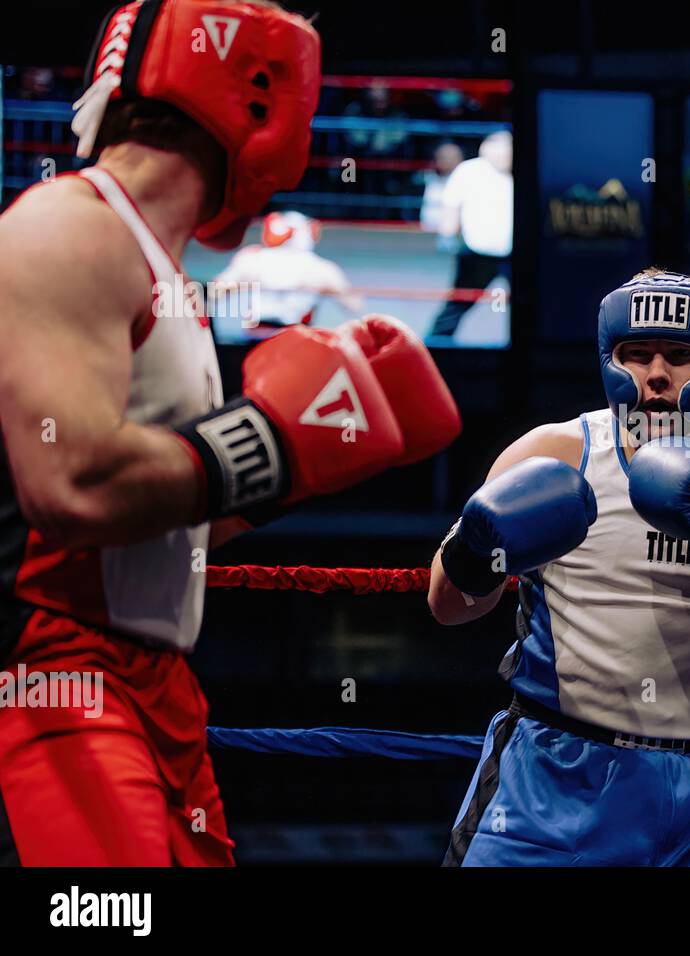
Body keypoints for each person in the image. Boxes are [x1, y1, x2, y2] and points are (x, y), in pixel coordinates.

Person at [0, 0, 460, 866]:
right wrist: (276, 442)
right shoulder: (70, 227)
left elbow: (167, 521)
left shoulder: (171, 280)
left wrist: (306, 468)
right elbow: (72, 489)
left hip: (160, 687)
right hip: (53, 670)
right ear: (259, 97)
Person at [428, 269, 690, 866]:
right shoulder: (556, 451)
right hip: (554, 778)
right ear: (610, 360)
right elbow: (446, 606)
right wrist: (479, 545)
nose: (655, 375)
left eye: (681, 356)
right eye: (635, 354)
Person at [212, 211, 363, 331]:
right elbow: (354, 305)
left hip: (258, 342)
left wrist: (244, 284)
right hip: (294, 342)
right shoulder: (322, 268)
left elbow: (214, 293)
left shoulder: (252, 259)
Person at [429, 131, 512, 339]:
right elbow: (451, 205)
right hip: (477, 251)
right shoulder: (469, 171)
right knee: (458, 303)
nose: (503, 153)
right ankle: (436, 346)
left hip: (516, 252)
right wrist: (447, 232)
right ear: (485, 148)